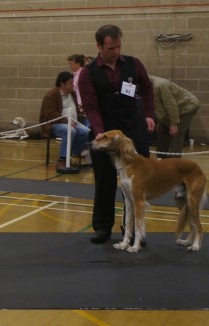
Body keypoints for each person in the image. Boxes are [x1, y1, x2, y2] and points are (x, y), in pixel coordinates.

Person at [78, 24, 156, 244]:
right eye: (111, 48)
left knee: (136, 183)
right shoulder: (88, 73)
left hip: (132, 129)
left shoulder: (133, 64)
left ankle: (132, 230)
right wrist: (100, 131)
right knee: (105, 181)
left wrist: (149, 114)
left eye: (119, 46)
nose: (116, 51)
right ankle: (102, 227)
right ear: (99, 46)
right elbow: (90, 106)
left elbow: (147, 89)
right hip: (104, 131)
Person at [39, 72, 90, 169]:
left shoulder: (72, 93)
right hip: (54, 124)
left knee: (86, 131)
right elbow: (50, 114)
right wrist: (66, 121)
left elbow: (75, 108)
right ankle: (63, 158)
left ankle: (72, 154)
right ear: (62, 84)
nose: (73, 85)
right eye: (70, 83)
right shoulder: (51, 95)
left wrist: (82, 111)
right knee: (70, 130)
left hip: (73, 122)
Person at [150, 75, 200, 159]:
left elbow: (170, 106)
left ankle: (174, 162)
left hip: (188, 106)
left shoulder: (161, 85)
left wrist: (174, 123)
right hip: (175, 109)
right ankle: (161, 158)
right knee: (163, 130)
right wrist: (160, 122)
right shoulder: (146, 87)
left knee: (176, 133)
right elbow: (158, 107)